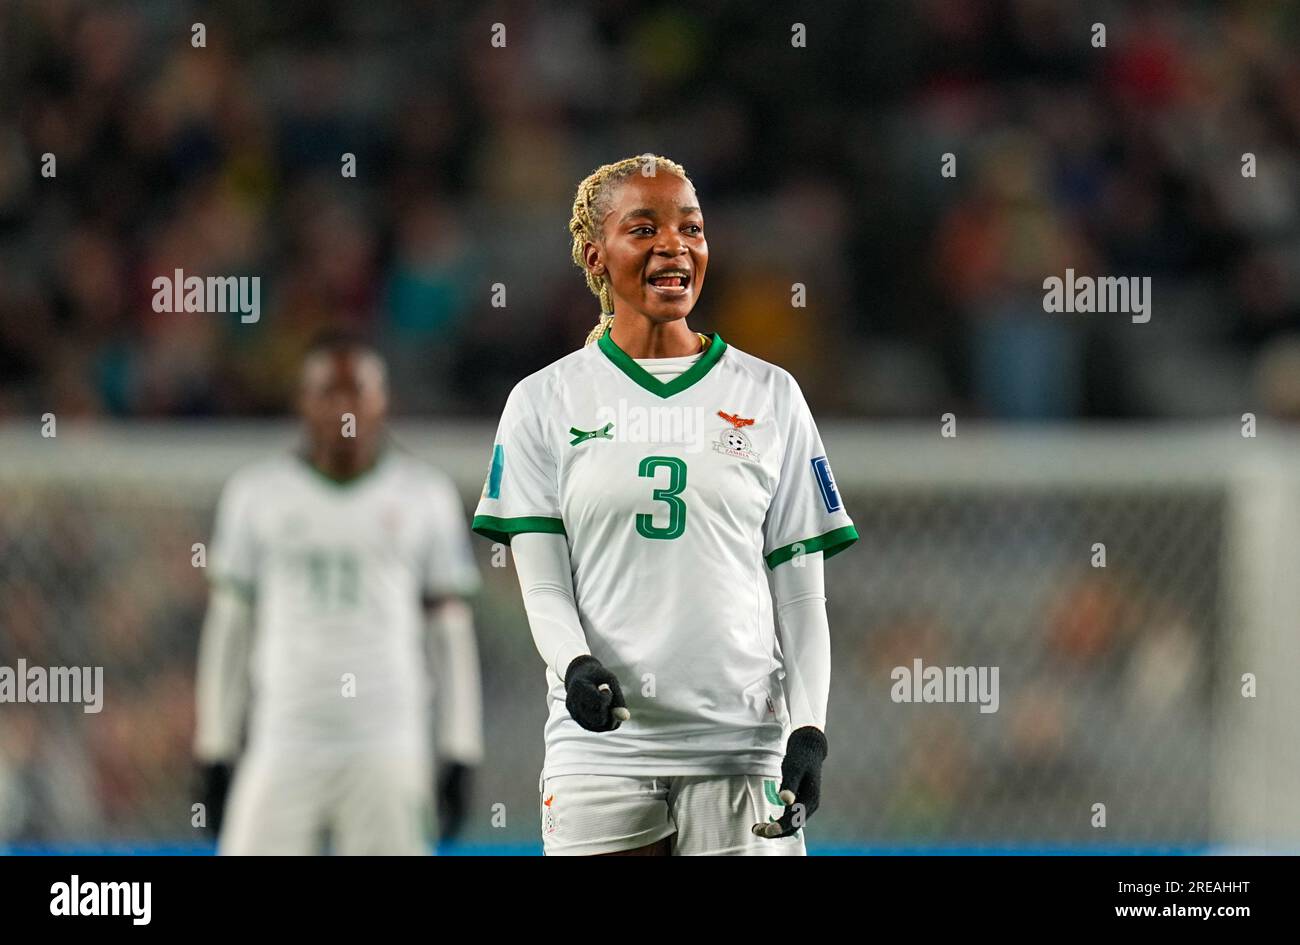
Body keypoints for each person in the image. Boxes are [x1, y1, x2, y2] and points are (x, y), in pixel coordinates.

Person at [472, 155, 857, 855]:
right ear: (597, 254)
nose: (674, 244)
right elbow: (544, 582)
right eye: (644, 227)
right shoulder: (544, 401)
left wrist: (809, 728)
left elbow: (801, 598)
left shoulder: (770, 395)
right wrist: (576, 664)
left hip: (739, 748)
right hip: (602, 749)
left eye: (691, 227)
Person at [193, 333, 483, 854]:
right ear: (303, 401)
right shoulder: (256, 495)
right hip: (284, 732)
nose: (344, 406)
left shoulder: (425, 496)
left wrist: (460, 746)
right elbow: (229, 630)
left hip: (388, 736)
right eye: (329, 391)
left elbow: (451, 635)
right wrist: (214, 744)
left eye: (359, 391)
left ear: (383, 400)